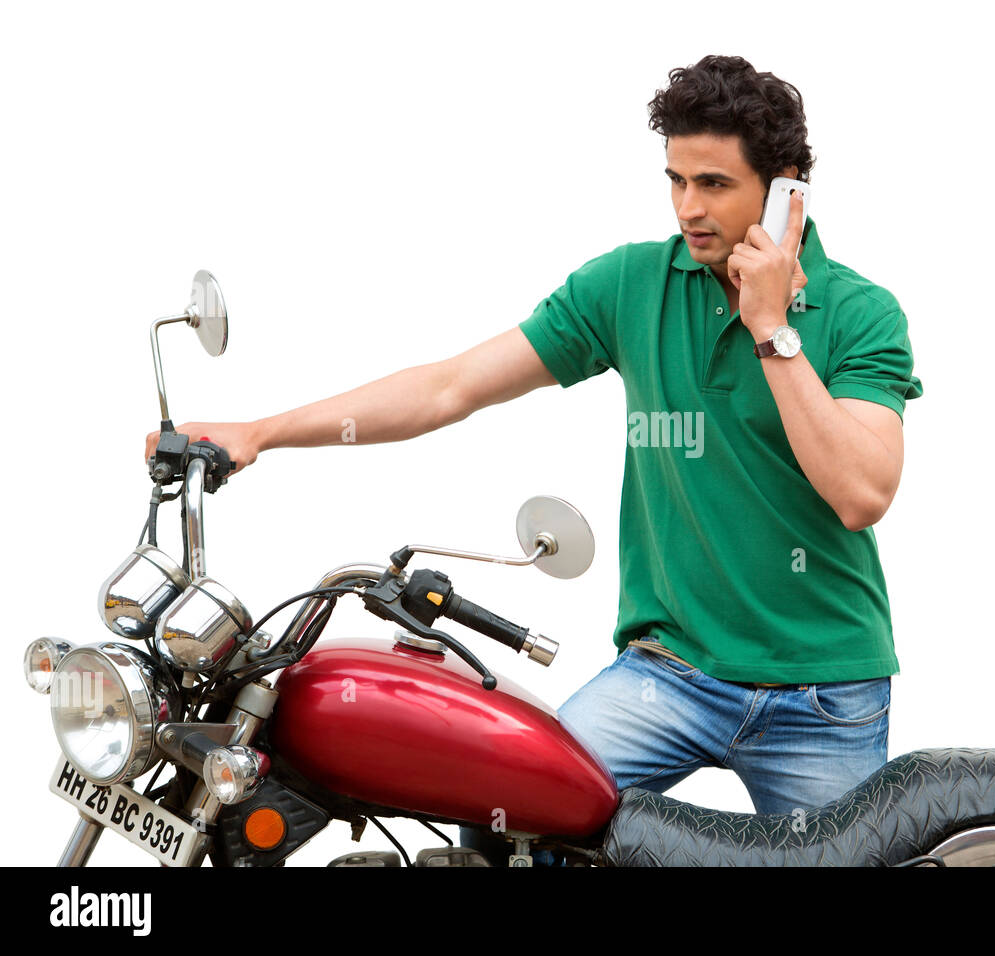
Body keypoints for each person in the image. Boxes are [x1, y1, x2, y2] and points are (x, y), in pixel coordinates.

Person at [145, 55, 923, 825]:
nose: (688, 208)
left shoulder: (861, 313)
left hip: (823, 692)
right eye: (675, 181)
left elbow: (861, 494)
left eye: (713, 185)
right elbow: (453, 386)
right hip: (668, 677)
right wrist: (264, 432)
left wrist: (771, 328)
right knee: (507, 814)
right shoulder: (629, 285)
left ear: (786, 189)